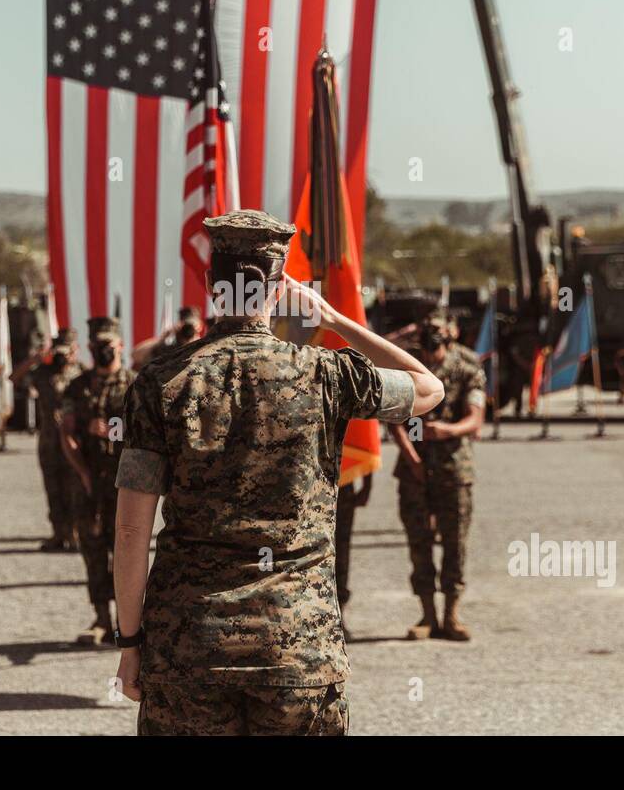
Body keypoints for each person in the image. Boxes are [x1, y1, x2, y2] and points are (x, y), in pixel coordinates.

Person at [111, 210, 444, 736]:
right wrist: (333, 319)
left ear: (211, 284)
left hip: (188, 647)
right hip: (297, 647)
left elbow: (131, 531)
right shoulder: (325, 373)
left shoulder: (160, 382)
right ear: (279, 288)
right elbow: (427, 388)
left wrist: (129, 643)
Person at [390, 308, 485, 642]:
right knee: (419, 541)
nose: (432, 335)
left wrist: (447, 431)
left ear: (452, 332)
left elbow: (475, 418)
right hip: (414, 468)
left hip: (453, 467)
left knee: (455, 541)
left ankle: (452, 614)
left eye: (438, 328)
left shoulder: (467, 365)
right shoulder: (406, 363)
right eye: (426, 328)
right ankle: (427, 615)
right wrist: (411, 455)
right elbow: (394, 417)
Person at [60, 316, 136, 645]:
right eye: (97, 346)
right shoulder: (78, 387)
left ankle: (128, 622)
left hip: (125, 484)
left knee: (125, 551)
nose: (103, 350)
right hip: (89, 483)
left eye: (108, 344)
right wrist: (84, 472)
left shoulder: (135, 385)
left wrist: (117, 432)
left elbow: (148, 435)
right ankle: (102, 618)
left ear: (120, 345)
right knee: (92, 549)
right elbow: (67, 434)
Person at [11, 328, 82, 552]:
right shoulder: (43, 373)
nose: (62, 358)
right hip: (49, 442)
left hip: (74, 441)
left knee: (75, 488)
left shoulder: (81, 374)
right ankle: (58, 533)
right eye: (58, 353)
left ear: (74, 351)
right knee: (53, 488)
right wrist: (35, 358)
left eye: (66, 353)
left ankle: (75, 534)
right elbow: (14, 378)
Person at [334, 474, 373, 638]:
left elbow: (363, 448)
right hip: (301, 481)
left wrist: (367, 482)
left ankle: (338, 616)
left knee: (340, 551)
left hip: (341, 482)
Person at [131, 305, 204, 368]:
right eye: (185, 326)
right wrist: (164, 336)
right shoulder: (169, 350)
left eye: (191, 326)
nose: (188, 330)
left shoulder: (204, 348)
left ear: (200, 326)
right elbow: (135, 355)